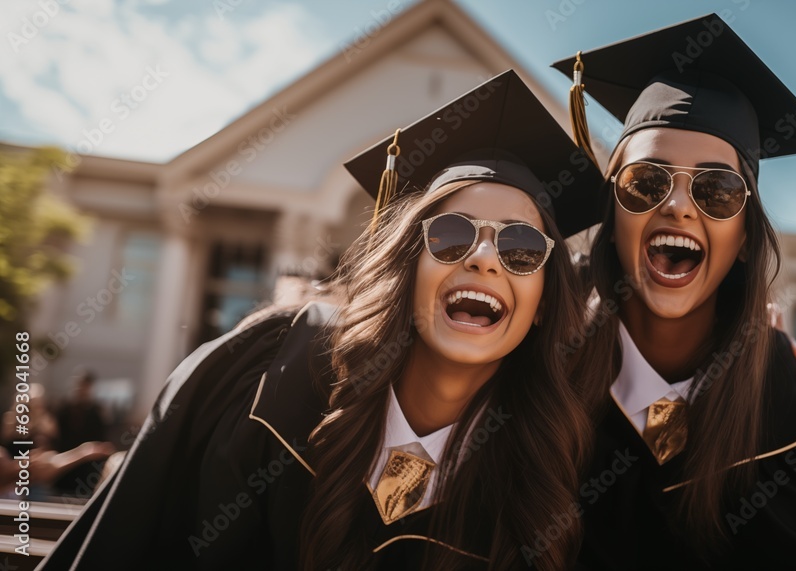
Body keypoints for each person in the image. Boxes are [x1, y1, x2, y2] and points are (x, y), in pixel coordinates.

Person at [39, 70, 605, 570]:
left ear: (543, 305)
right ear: (406, 269)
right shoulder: (269, 376)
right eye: (452, 235)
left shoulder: (539, 481)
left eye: (523, 248)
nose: (484, 258)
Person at [552, 14, 796, 569]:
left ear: (746, 237)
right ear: (611, 213)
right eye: (645, 183)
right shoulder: (552, 371)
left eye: (717, 189)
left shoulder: (775, 390)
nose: (679, 205)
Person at [53, 368, 109, 496]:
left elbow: (100, 436)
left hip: (86, 467)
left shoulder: (96, 411)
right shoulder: (64, 408)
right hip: (65, 461)